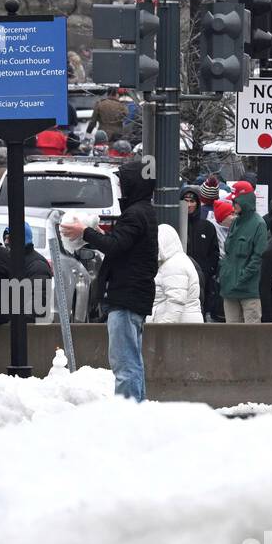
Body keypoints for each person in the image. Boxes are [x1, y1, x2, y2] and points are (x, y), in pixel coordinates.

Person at [59, 160, 157, 402]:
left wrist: (85, 232)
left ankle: (127, 417)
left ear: (133, 185)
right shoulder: (143, 212)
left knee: (125, 364)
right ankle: (137, 409)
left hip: (126, 298)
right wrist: (95, 236)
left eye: (123, 183)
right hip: (134, 296)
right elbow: (121, 246)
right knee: (133, 361)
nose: (121, 188)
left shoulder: (135, 214)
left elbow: (115, 246)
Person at [216, 181, 268, 323]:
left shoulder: (259, 224)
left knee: (250, 337)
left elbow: (258, 258)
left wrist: (241, 278)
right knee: (231, 335)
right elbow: (228, 254)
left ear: (246, 201)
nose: (233, 205)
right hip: (229, 289)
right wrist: (224, 274)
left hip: (248, 291)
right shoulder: (236, 223)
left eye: (236, 201)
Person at [148, 224, 202, 323]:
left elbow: (175, 301)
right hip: (181, 324)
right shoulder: (170, 263)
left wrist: (162, 328)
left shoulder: (174, 265)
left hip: (179, 328)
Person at [182, 186, 218, 320]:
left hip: (202, 280)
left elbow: (214, 253)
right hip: (180, 280)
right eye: (186, 201)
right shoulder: (175, 224)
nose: (189, 205)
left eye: (192, 201)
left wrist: (208, 271)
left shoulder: (207, 227)